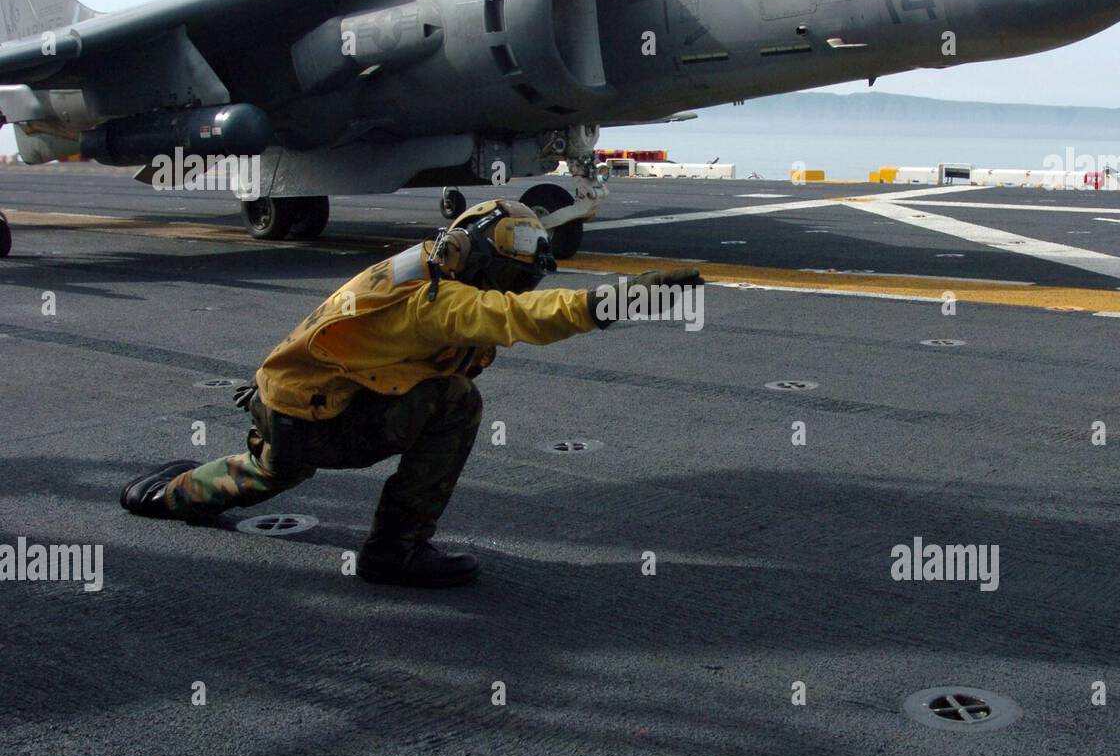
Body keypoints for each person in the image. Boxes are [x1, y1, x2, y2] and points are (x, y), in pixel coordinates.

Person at [120, 198, 703, 588]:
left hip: (291, 407)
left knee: (269, 470)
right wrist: (617, 301)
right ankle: (394, 551)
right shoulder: (438, 299)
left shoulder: (415, 268)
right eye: (511, 275)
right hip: (323, 416)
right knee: (454, 404)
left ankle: (168, 495)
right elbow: (523, 318)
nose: (516, 286)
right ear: (478, 261)